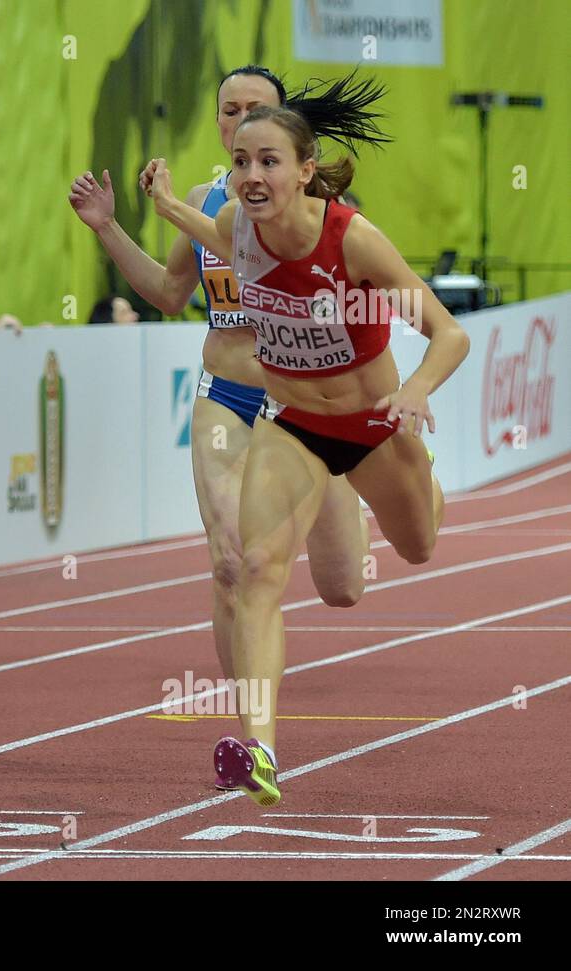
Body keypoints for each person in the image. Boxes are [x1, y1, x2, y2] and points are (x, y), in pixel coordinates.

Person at [144, 102, 469, 806]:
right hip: (290, 424)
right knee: (256, 566)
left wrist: (413, 389)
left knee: (416, 545)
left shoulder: (353, 240)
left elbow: (448, 332)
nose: (251, 176)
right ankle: (258, 746)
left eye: (268, 163)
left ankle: (432, 488)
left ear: (305, 170)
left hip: (375, 426)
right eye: (240, 163)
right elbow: (214, 233)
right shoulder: (237, 227)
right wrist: (167, 204)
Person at [70, 67, 381, 790]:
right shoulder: (212, 202)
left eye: (256, 110)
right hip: (229, 397)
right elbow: (169, 292)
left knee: (342, 587)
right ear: (217, 125)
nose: (240, 119)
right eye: (229, 111)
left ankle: (350, 488)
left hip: (310, 407)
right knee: (231, 561)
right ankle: (255, 741)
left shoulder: (321, 208)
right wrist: (109, 226)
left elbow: (373, 303)